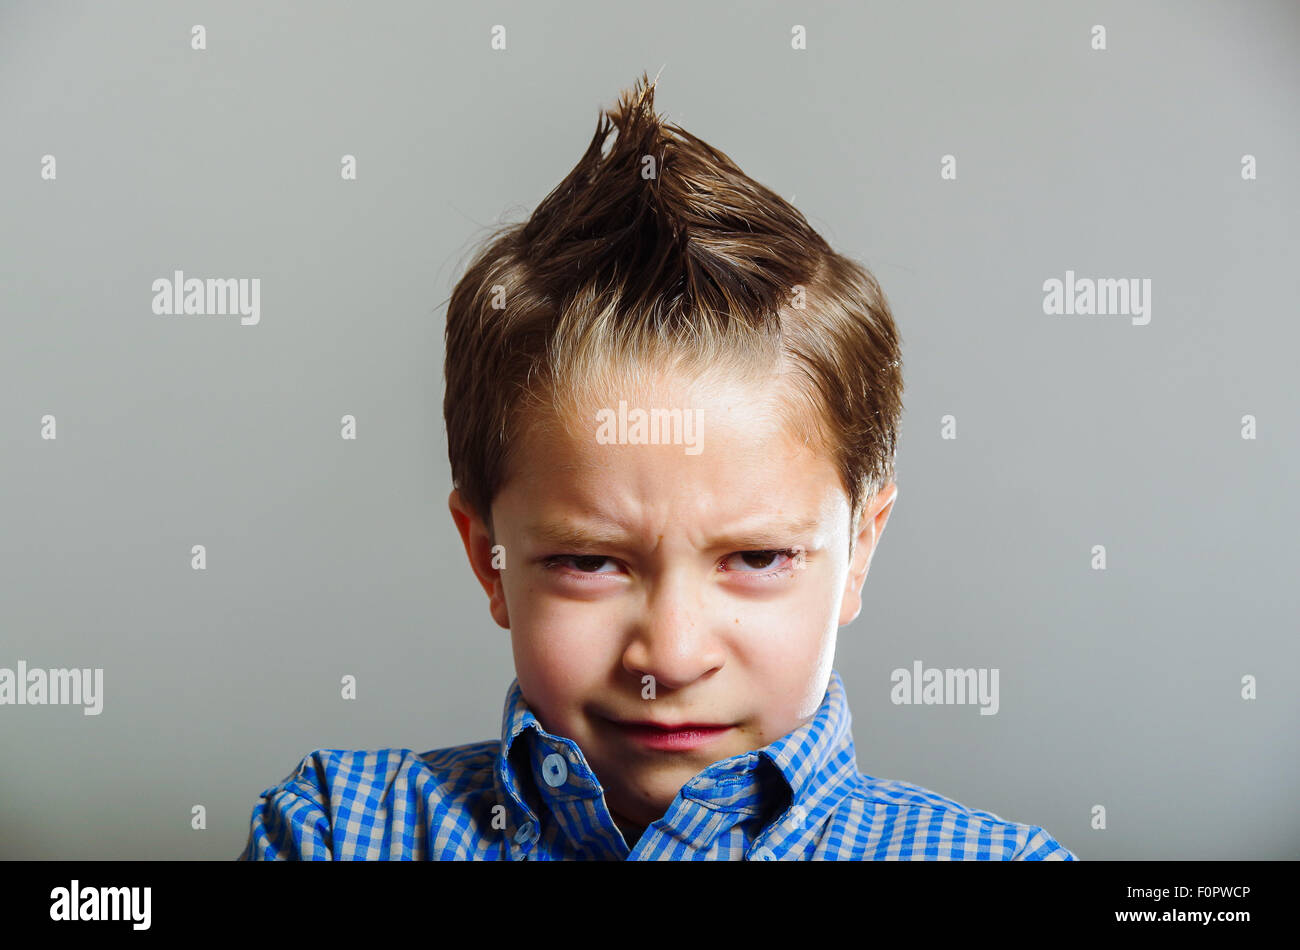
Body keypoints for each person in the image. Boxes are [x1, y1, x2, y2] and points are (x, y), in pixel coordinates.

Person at [238, 72, 1075, 861]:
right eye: (589, 561)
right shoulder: (340, 834)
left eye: (756, 558)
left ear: (859, 549)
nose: (669, 658)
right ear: (485, 555)